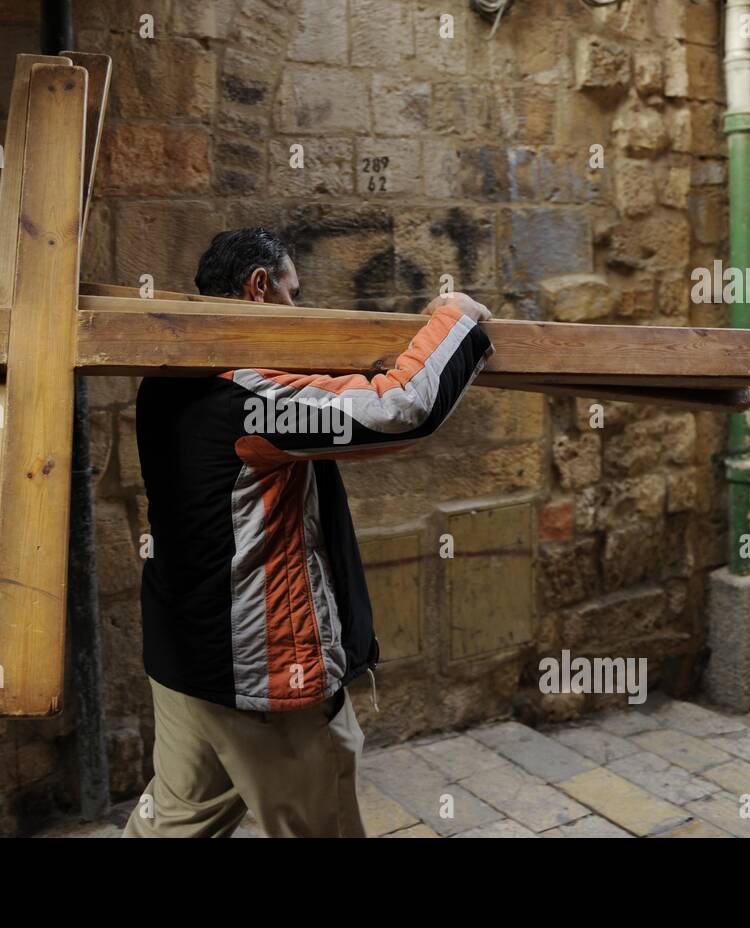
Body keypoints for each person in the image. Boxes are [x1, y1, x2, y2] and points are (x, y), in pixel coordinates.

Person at [123, 227, 493, 837]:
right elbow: (401, 407)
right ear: (259, 287)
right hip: (262, 673)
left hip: (185, 661)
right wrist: (456, 317)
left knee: (177, 824)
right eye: (294, 294)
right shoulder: (246, 398)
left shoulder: (168, 378)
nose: (299, 311)